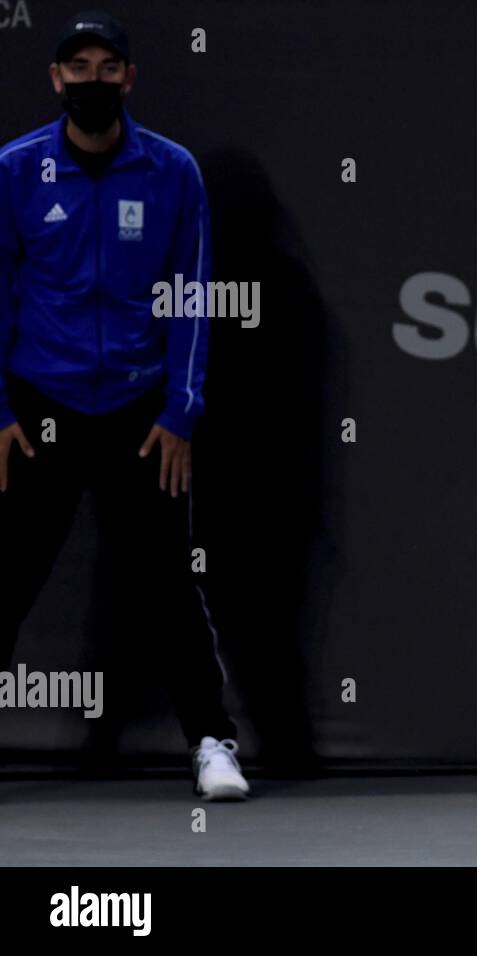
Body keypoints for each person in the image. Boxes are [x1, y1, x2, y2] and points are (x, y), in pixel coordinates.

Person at [0, 10, 247, 799]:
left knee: (170, 582)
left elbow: (193, 295)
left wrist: (181, 410)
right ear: (55, 79)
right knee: (6, 576)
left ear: (130, 79)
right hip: (40, 410)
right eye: (80, 67)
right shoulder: (15, 169)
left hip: (142, 414)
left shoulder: (171, 171)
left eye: (110, 67)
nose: (94, 80)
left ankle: (212, 742)